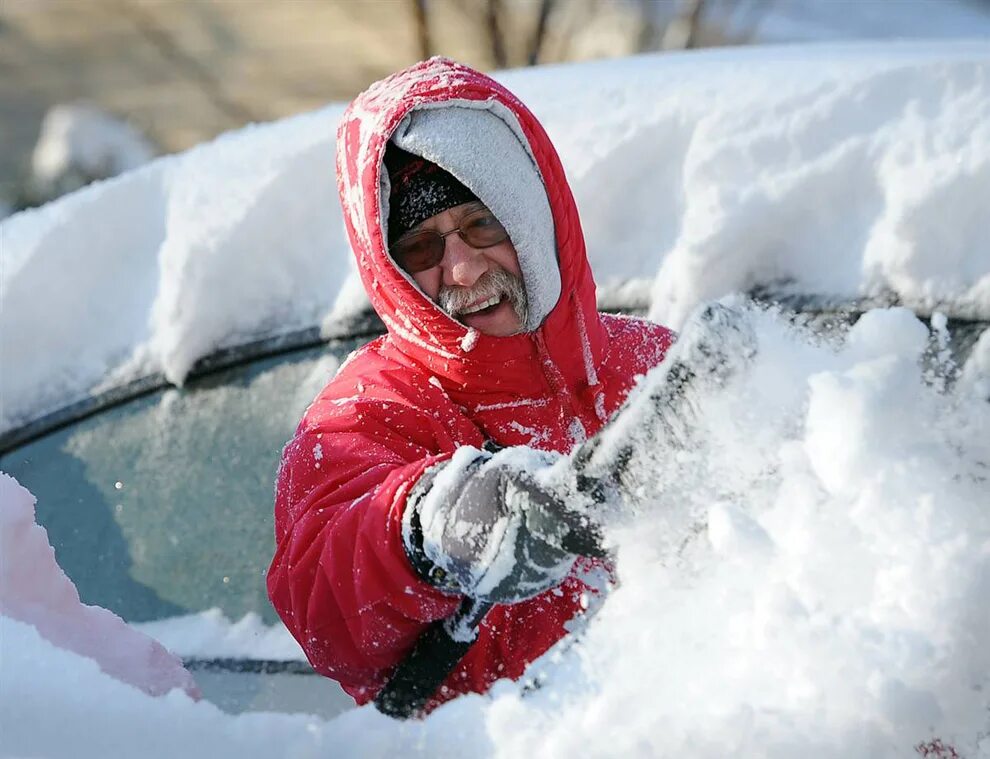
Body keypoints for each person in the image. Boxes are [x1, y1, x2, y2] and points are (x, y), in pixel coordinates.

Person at [267, 57, 674, 714]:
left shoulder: (651, 363)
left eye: (482, 223)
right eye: (423, 247)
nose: (460, 268)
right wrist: (427, 526)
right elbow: (323, 601)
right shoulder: (367, 411)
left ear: (530, 214)